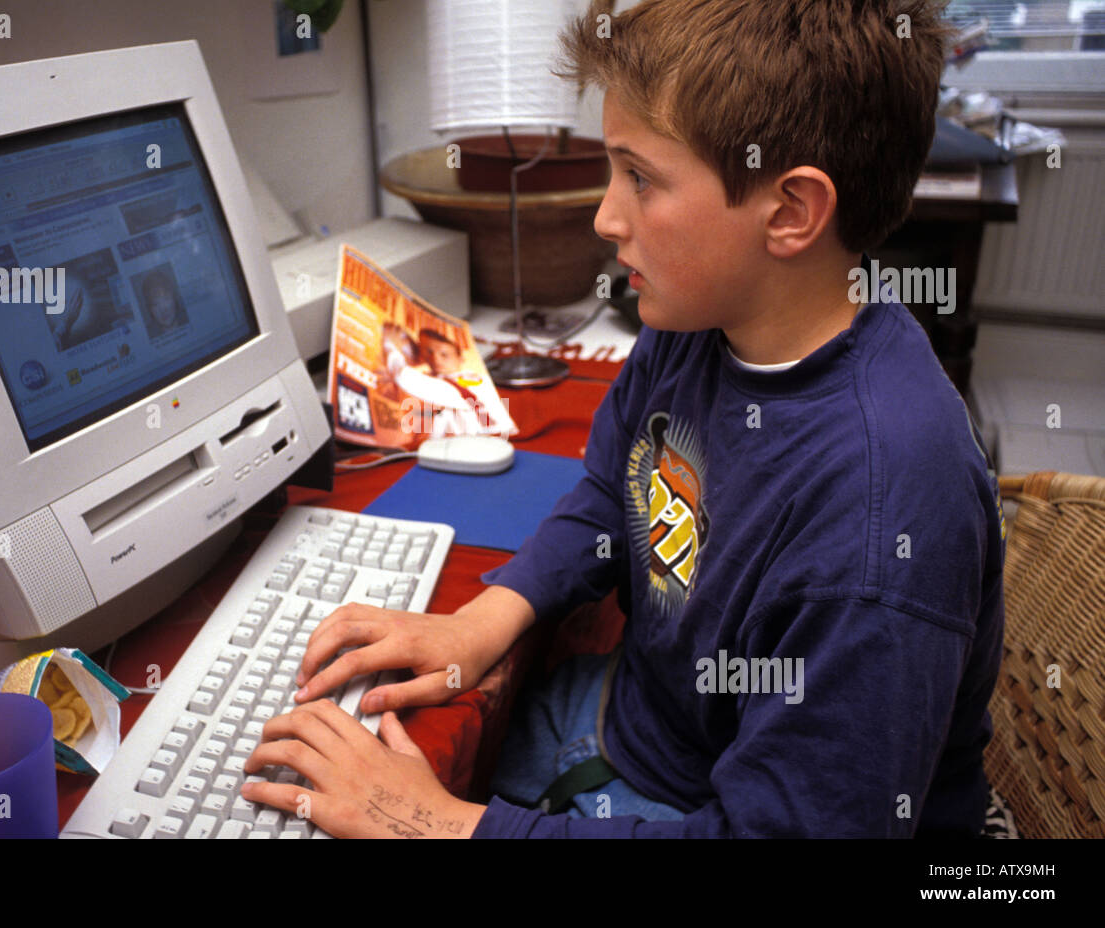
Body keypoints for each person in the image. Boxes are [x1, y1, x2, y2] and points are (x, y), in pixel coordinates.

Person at [239, 0, 1005, 838]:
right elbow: (615, 490)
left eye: (640, 177)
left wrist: (434, 824)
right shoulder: (705, 320)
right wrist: (475, 624)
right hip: (636, 725)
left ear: (790, 212)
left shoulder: (883, 509)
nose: (607, 217)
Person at [381, 326, 515, 438]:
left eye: (445, 355)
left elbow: (406, 377)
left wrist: (391, 347)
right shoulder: (437, 378)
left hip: (484, 440)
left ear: (460, 360)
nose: (435, 359)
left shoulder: (469, 381)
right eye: (429, 353)